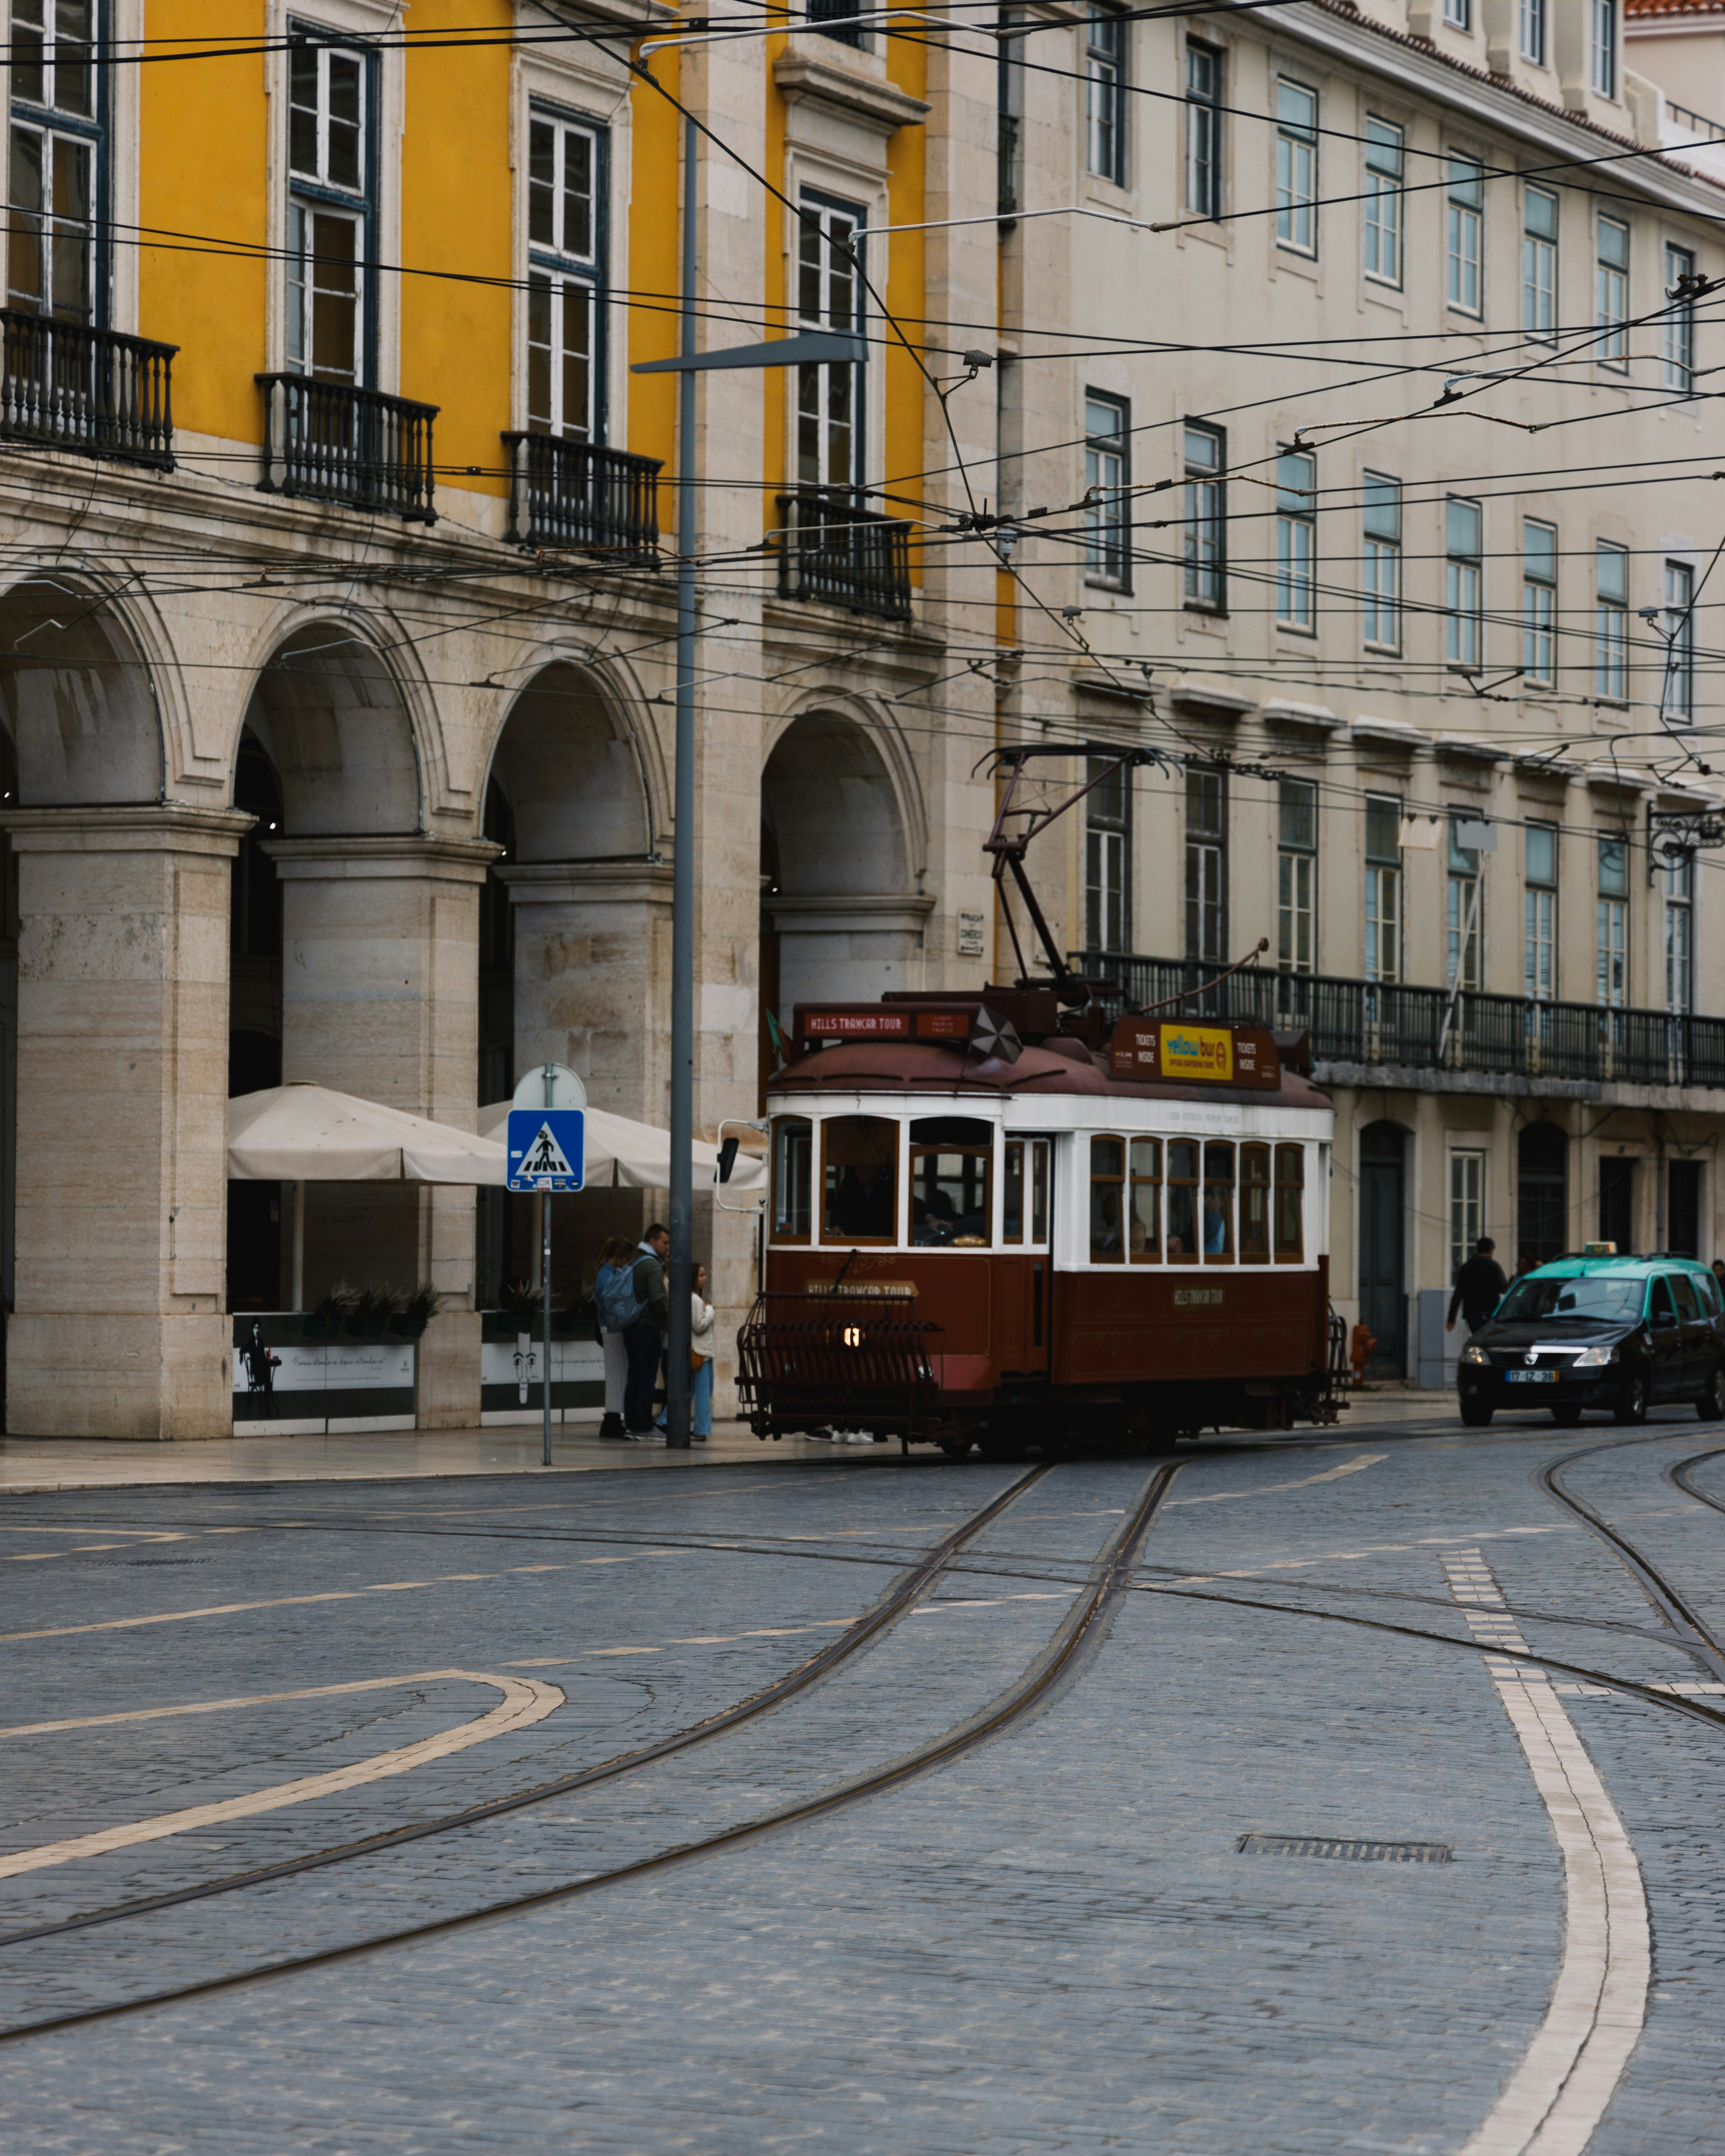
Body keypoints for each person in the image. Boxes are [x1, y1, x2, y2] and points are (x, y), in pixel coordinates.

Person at [622, 1224, 671, 1439]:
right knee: (647, 1379)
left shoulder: (634, 1261)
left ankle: (632, 1424)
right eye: (665, 1243)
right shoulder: (652, 1266)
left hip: (631, 1326)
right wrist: (668, 1318)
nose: (668, 1247)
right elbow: (657, 1298)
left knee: (634, 1377)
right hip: (647, 1328)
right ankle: (644, 1425)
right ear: (653, 1242)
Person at [591, 1238, 634, 1440]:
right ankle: (612, 1419)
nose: (627, 1262)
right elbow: (612, 1303)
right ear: (619, 1256)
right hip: (613, 1329)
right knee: (617, 1375)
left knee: (616, 1374)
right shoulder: (607, 1275)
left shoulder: (605, 1272)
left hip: (610, 1328)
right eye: (626, 1258)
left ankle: (613, 1419)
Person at [1446, 1236, 1508, 1335]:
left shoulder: (1467, 1267)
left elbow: (1458, 1294)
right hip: (1490, 1310)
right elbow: (1504, 1288)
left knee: (1476, 1338)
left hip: (1472, 1313)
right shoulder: (1494, 1266)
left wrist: (1451, 1319)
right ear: (1491, 1250)